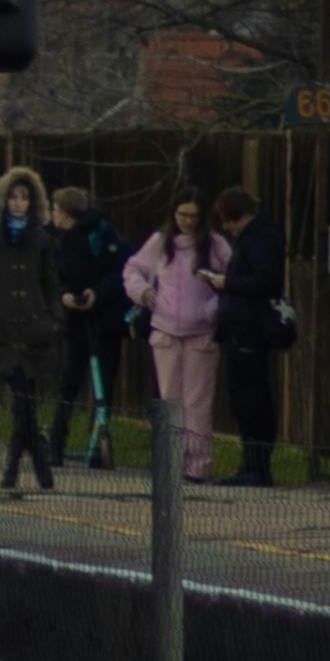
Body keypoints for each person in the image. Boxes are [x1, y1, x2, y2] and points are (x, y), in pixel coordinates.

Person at [0, 166, 62, 494]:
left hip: (34, 334)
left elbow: (52, 285)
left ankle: (16, 469)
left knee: (25, 402)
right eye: (13, 197)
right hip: (0, 334)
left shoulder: (41, 240)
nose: (18, 204)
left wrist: (52, 320)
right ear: (2, 200)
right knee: (22, 401)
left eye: (24, 198)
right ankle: (33, 466)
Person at [122, 193, 231, 480]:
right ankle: (170, 460)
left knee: (197, 402)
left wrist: (211, 309)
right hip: (166, 331)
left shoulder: (216, 244)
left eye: (193, 216)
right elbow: (132, 269)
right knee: (170, 399)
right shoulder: (160, 242)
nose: (188, 221)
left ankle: (198, 465)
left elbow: (232, 280)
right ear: (173, 214)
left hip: (202, 333)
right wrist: (143, 292)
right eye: (182, 215)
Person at [213, 187, 297, 485]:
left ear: (242, 216)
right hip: (242, 326)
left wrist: (227, 282)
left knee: (251, 398)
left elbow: (265, 281)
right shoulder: (255, 236)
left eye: (231, 220)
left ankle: (257, 466)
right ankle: (250, 463)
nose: (227, 227)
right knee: (243, 397)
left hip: (251, 327)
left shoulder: (260, 239)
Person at [45, 184, 124, 474]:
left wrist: (97, 293)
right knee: (70, 380)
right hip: (76, 320)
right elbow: (56, 277)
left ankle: (98, 443)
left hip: (104, 319)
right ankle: (57, 443)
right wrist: (65, 294)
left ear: (65, 213)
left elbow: (120, 271)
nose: (52, 215)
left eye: (55, 210)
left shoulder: (103, 234)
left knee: (102, 384)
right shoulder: (61, 242)